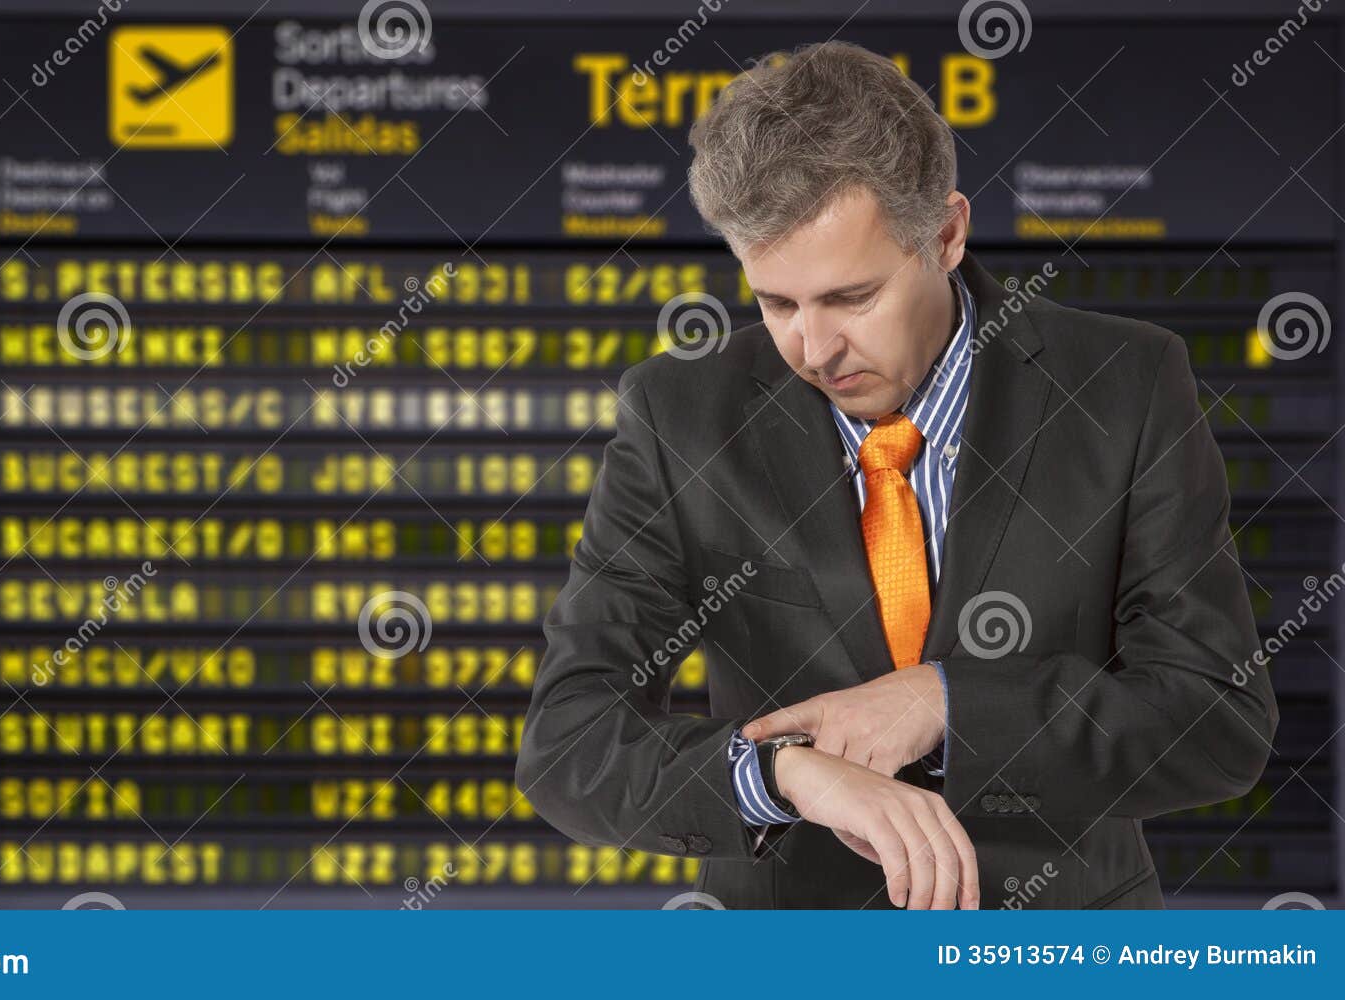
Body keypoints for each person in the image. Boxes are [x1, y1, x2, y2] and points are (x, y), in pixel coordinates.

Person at [515, 40, 1278, 909]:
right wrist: (782, 774)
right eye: (775, 303)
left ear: (947, 234)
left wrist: (949, 701)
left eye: (851, 298)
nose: (813, 348)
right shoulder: (679, 416)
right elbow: (570, 743)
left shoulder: (1127, 385)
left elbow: (1217, 719)